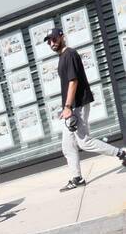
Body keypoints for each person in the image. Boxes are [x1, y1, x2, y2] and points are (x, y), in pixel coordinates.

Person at [44, 28, 126, 191]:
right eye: (49, 41)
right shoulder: (62, 57)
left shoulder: (70, 55)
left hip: (77, 105)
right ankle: (77, 178)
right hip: (71, 106)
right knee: (68, 145)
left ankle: (121, 153)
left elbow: (73, 82)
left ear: (62, 37)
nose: (52, 43)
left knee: (84, 141)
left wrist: (68, 107)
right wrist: (65, 107)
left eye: (54, 39)